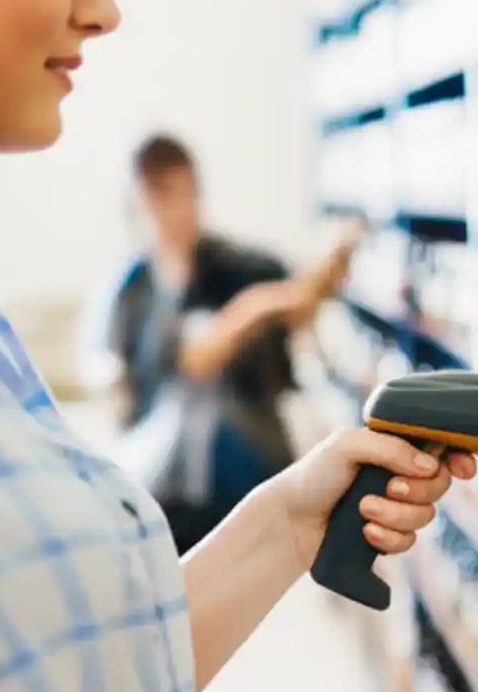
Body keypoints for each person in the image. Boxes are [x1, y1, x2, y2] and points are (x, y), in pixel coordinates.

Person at [0, 0, 475, 692]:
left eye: (180, 191)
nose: (104, 10)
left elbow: (93, 672)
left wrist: (288, 523)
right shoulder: (122, 293)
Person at [87, 134, 355, 553]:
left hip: (242, 452)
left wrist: (333, 257)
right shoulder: (128, 293)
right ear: (136, 206)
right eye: (158, 198)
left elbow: (300, 298)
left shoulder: (239, 267)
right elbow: (177, 365)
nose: (174, 212)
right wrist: (253, 309)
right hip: (158, 469)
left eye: (183, 194)